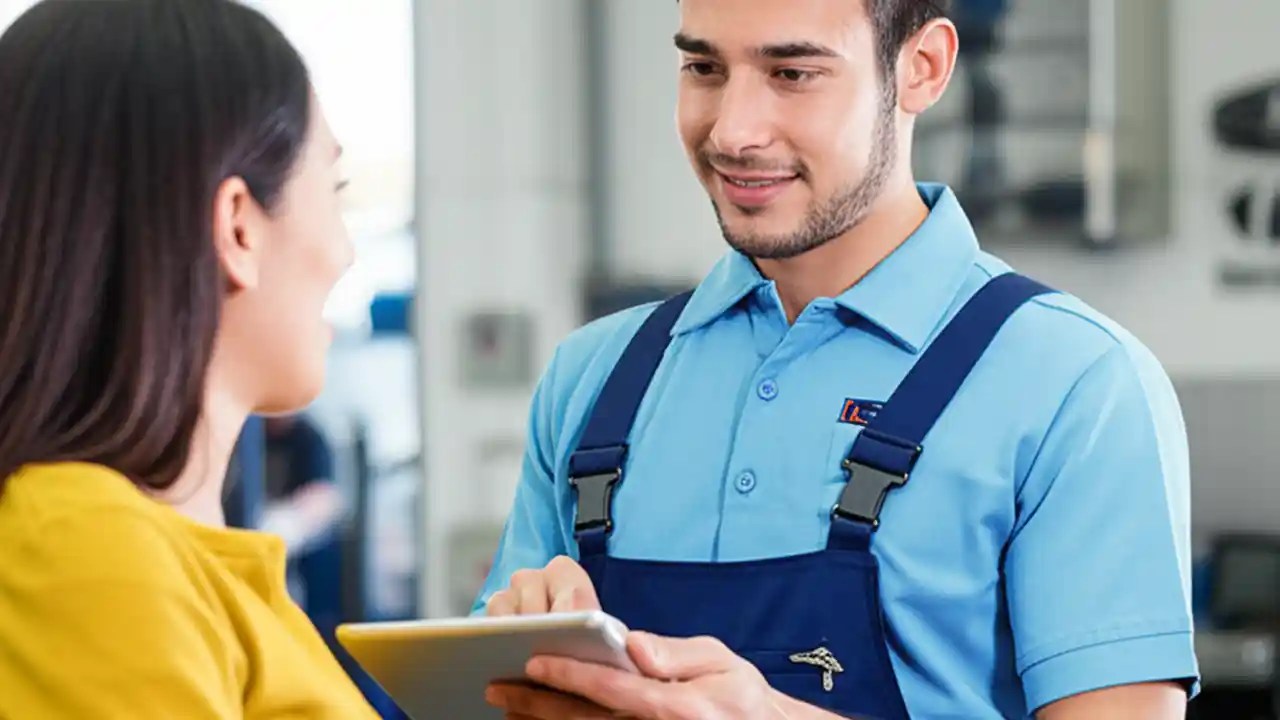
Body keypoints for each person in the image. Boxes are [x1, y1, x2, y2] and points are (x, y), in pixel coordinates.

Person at [476, 0, 1198, 718]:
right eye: (704, 67)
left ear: (922, 68)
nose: (732, 130)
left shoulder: (1075, 384)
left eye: (791, 73)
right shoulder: (593, 377)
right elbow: (482, 696)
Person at [0, 1, 378, 717]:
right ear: (238, 226)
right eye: (333, 191)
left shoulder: (181, 570)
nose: (346, 249)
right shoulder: (88, 558)